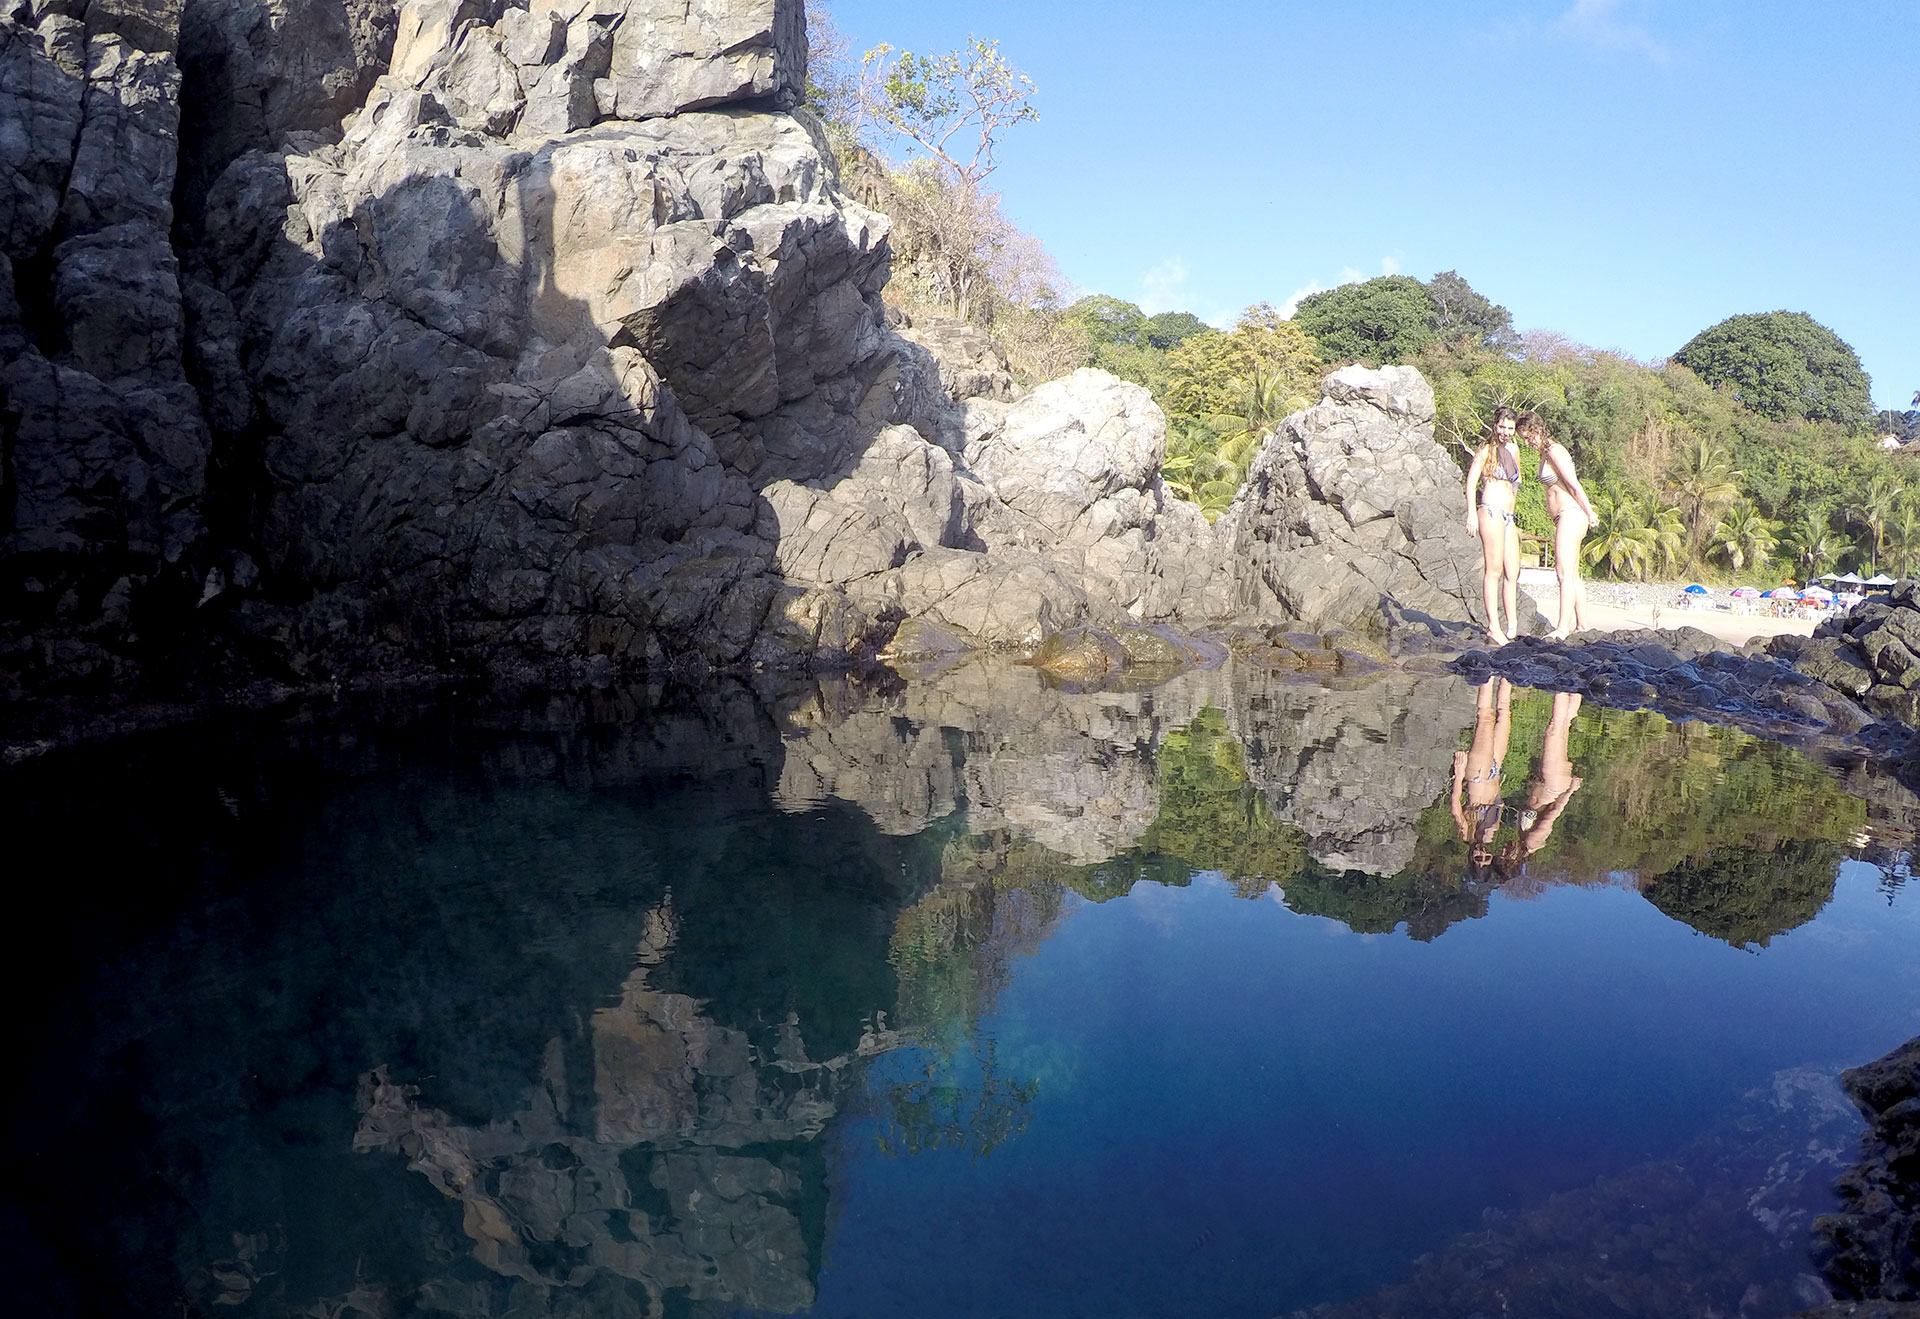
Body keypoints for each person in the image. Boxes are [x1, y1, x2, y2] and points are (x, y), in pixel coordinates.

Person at [1517, 411, 1597, 639]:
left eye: (1529, 435)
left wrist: (1590, 511)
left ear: (1539, 429)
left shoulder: (1554, 451)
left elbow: (1573, 485)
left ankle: (1562, 628)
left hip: (1571, 513)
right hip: (1564, 516)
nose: (1527, 441)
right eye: (1524, 438)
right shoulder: (1545, 453)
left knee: (1562, 572)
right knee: (1572, 573)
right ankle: (1582, 625)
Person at [1463, 407, 1523, 646]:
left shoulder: (1514, 450)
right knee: (1494, 570)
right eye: (1501, 427)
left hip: (1508, 515)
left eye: (1509, 428)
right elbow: (1471, 482)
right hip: (1490, 510)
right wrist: (1471, 513)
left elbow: (1516, 485)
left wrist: (1513, 512)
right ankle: (1493, 627)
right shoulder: (1486, 450)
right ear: (1494, 425)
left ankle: (1512, 626)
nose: (1505, 432)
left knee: (1512, 571)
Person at [1450, 677, 1514, 871]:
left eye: (1479, 858)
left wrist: (1459, 774)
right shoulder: (1490, 832)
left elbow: (1455, 805)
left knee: (1485, 717)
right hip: (1495, 771)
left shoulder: (1466, 833)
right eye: (1487, 857)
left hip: (1477, 775)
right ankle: (1508, 668)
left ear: (1471, 858)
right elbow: (1499, 803)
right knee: (1504, 715)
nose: (1482, 854)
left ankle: (1487, 671)